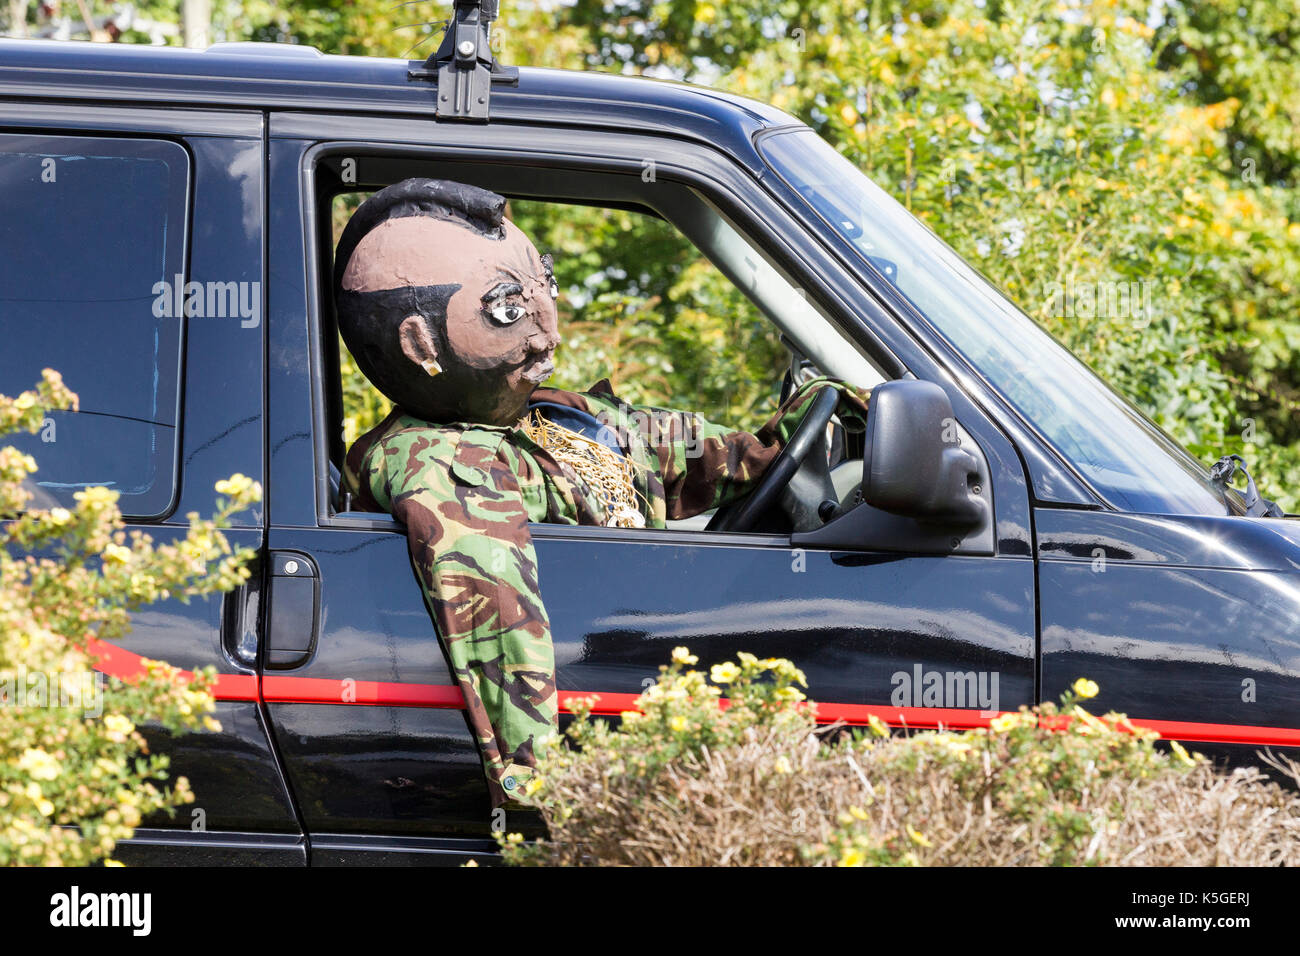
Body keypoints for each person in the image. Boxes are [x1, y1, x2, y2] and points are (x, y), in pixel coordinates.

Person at [335, 177, 870, 807]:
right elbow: (493, 617)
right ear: (421, 344)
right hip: (607, 678)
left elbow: (691, 448)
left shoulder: (557, 412)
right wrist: (543, 785)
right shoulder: (443, 466)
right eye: (507, 308)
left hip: (647, 653)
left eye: (545, 290)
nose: (546, 331)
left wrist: (841, 407)